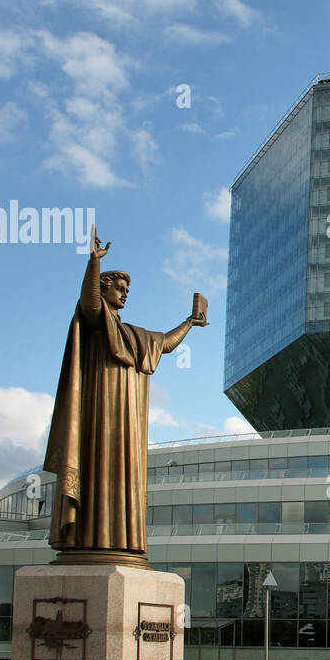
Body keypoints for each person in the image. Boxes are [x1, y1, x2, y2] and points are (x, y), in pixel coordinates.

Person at [44, 226, 206, 556]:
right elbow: (88, 303)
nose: (124, 293)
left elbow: (166, 344)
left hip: (126, 422)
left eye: (126, 289)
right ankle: (89, 542)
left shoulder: (134, 336)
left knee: (122, 476)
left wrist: (190, 321)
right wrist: (93, 263)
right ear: (104, 289)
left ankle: (120, 543)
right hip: (97, 414)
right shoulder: (95, 322)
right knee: (95, 468)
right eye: (118, 287)